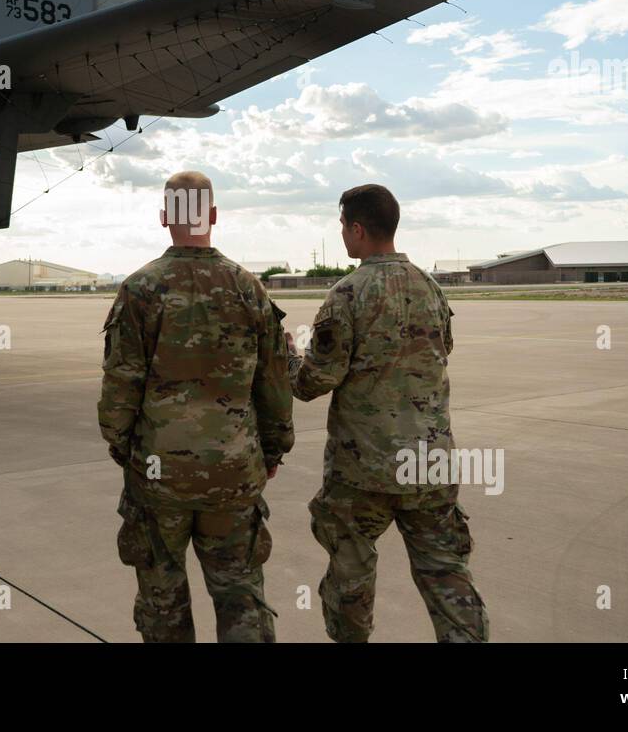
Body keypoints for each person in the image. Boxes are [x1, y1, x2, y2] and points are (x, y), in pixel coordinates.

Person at [98, 171, 294, 642]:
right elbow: (273, 383)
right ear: (212, 215)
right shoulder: (249, 288)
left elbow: (120, 387)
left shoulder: (141, 288)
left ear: (165, 216)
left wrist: (125, 449)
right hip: (233, 470)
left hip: (158, 471)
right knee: (241, 595)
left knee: (162, 598)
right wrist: (272, 451)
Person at [288, 184, 488, 643]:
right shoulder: (431, 288)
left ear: (357, 229)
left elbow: (313, 382)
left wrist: (287, 358)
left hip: (365, 471)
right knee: (446, 576)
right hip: (429, 464)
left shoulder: (347, 294)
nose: (341, 234)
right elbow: (443, 351)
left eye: (342, 226)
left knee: (351, 578)